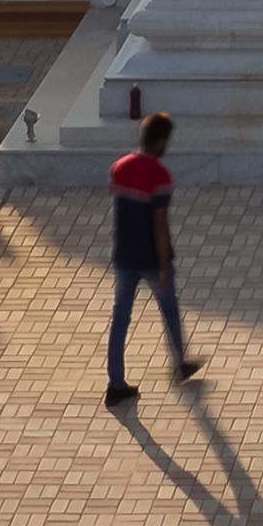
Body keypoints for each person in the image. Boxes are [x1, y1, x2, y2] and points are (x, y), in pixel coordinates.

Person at [105, 110, 198, 406]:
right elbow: (159, 224)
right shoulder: (160, 176)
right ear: (159, 141)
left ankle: (116, 383)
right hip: (149, 258)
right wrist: (164, 262)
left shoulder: (119, 167)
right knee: (169, 308)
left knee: (120, 319)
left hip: (123, 255)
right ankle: (180, 363)